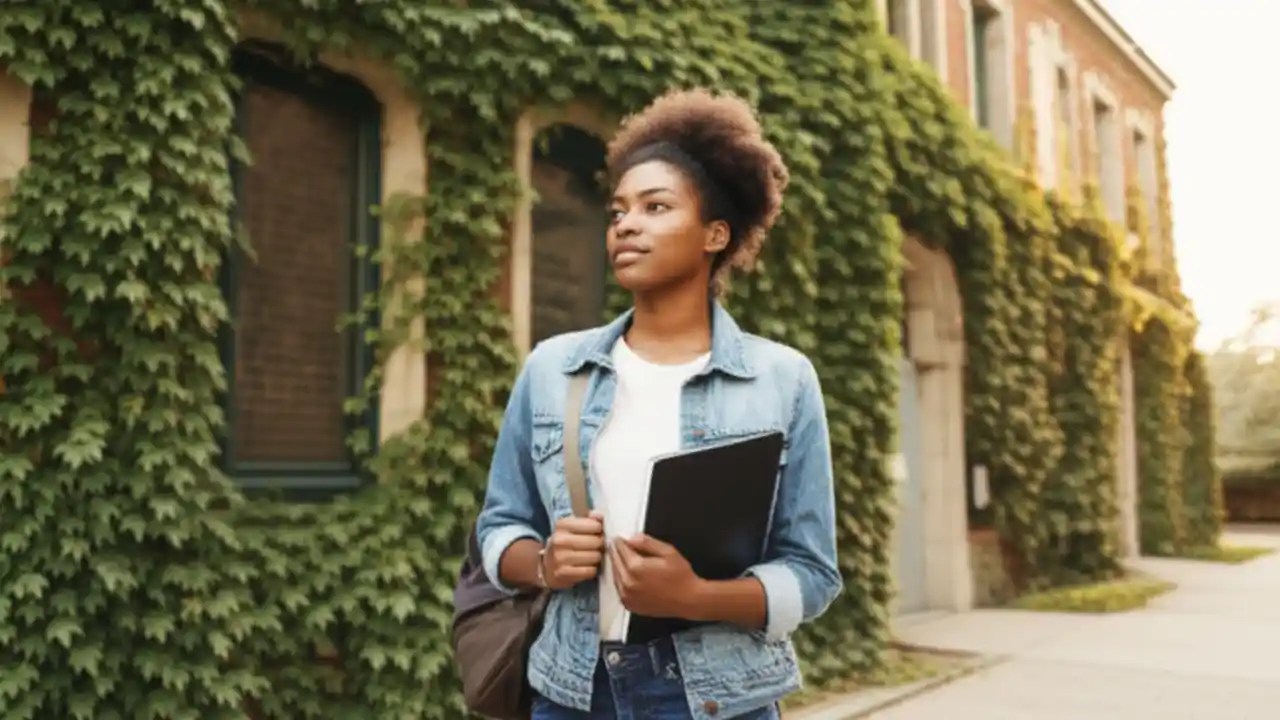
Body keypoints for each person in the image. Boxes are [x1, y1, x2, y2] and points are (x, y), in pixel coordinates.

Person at [475, 88, 842, 720]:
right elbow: (499, 527)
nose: (626, 224)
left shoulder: (783, 379)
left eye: (656, 206)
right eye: (618, 210)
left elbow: (812, 572)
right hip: (571, 693)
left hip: (717, 699)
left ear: (715, 234)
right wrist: (543, 561)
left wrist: (697, 596)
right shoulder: (552, 369)